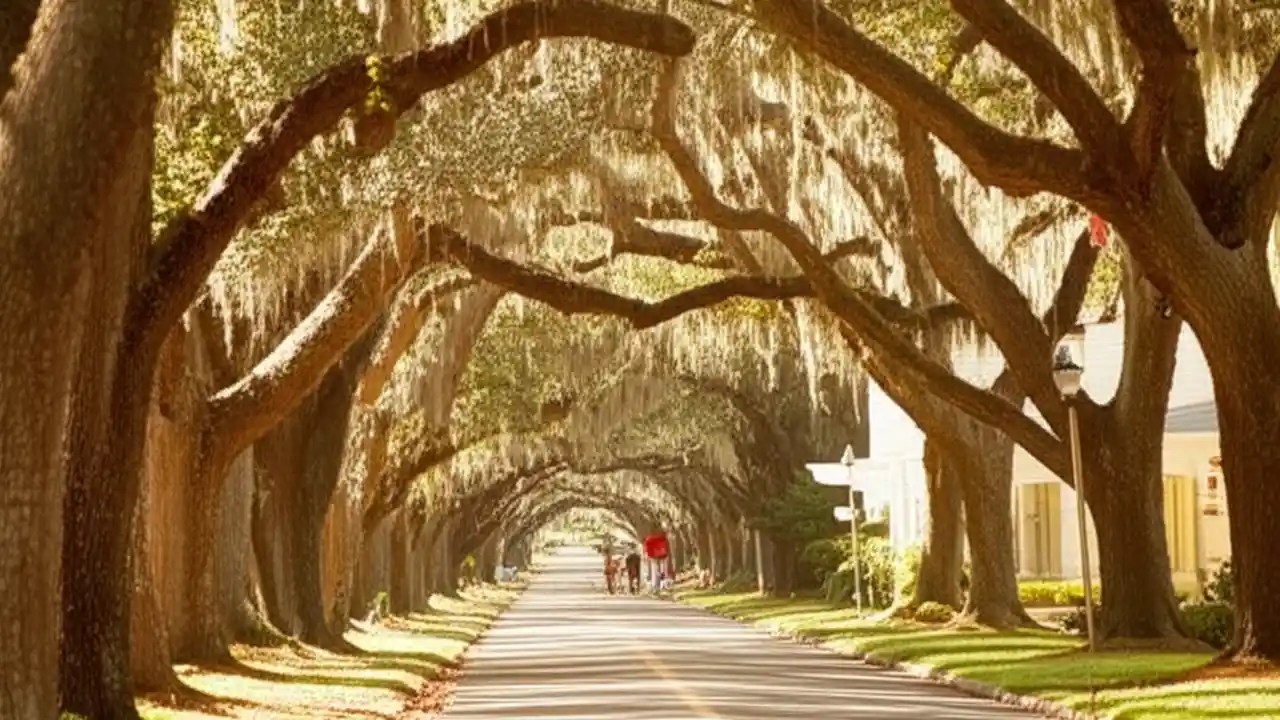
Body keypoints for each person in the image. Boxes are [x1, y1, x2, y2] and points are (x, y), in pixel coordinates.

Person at [643, 527, 671, 593]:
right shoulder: (663, 539)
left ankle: (656, 585)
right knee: (662, 571)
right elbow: (667, 548)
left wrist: (648, 555)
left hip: (654, 557)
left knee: (655, 571)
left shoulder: (649, 539)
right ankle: (661, 584)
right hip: (661, 556)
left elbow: (647, 548)